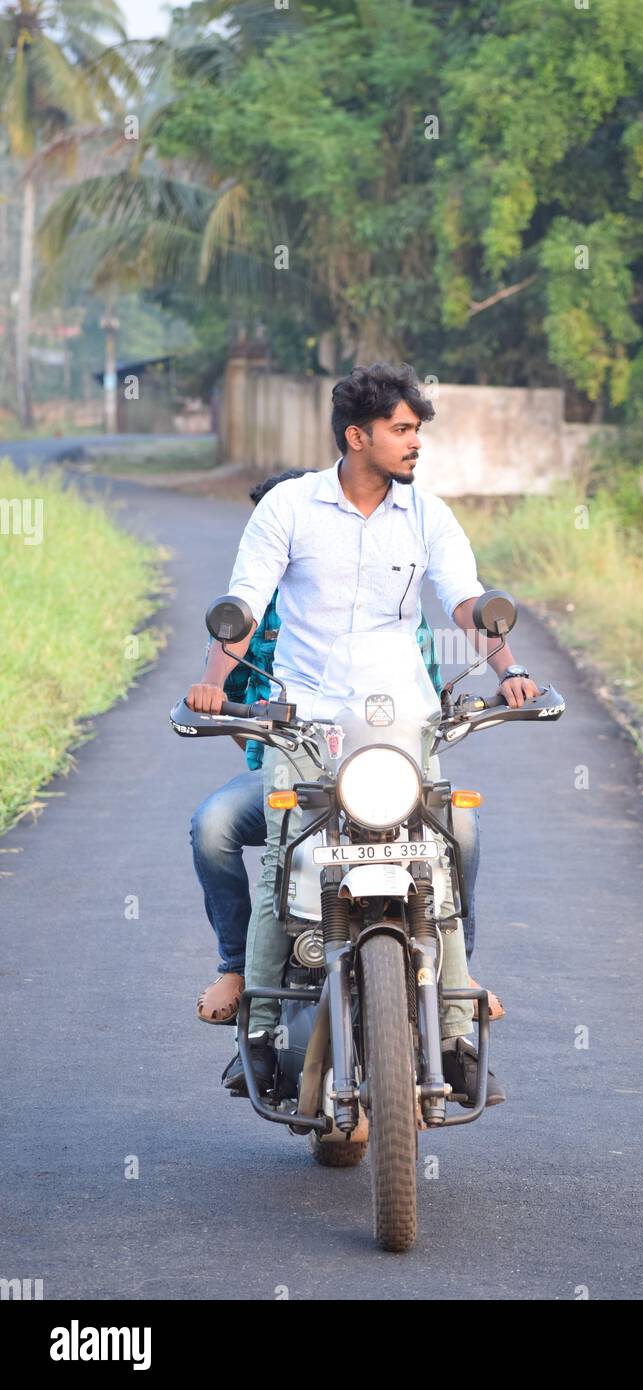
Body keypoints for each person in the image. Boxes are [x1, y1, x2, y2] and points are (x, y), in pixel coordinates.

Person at [186, 363, 539, 1106]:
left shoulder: (427, 515)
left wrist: (510, 668)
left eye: (418, 430)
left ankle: (455, 1025)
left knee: (449, 844)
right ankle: (257, 1029)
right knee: (289, 856)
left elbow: (466, 600)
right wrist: (214, 678)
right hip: (308, 724)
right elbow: (245, 602)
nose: (416, 443)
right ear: (359, 435)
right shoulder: (288, 507)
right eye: (403, 429)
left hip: (402, 720)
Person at [191, 474, 493, 1024]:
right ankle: (239, 974)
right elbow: (226, 702)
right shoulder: (249, 622)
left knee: (461, 831)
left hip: (382, 772)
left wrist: (486, 688)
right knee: (213, 826)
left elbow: (421, 699)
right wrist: (266, 735)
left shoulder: (394, 624)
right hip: (294, 767)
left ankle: (457, 973)